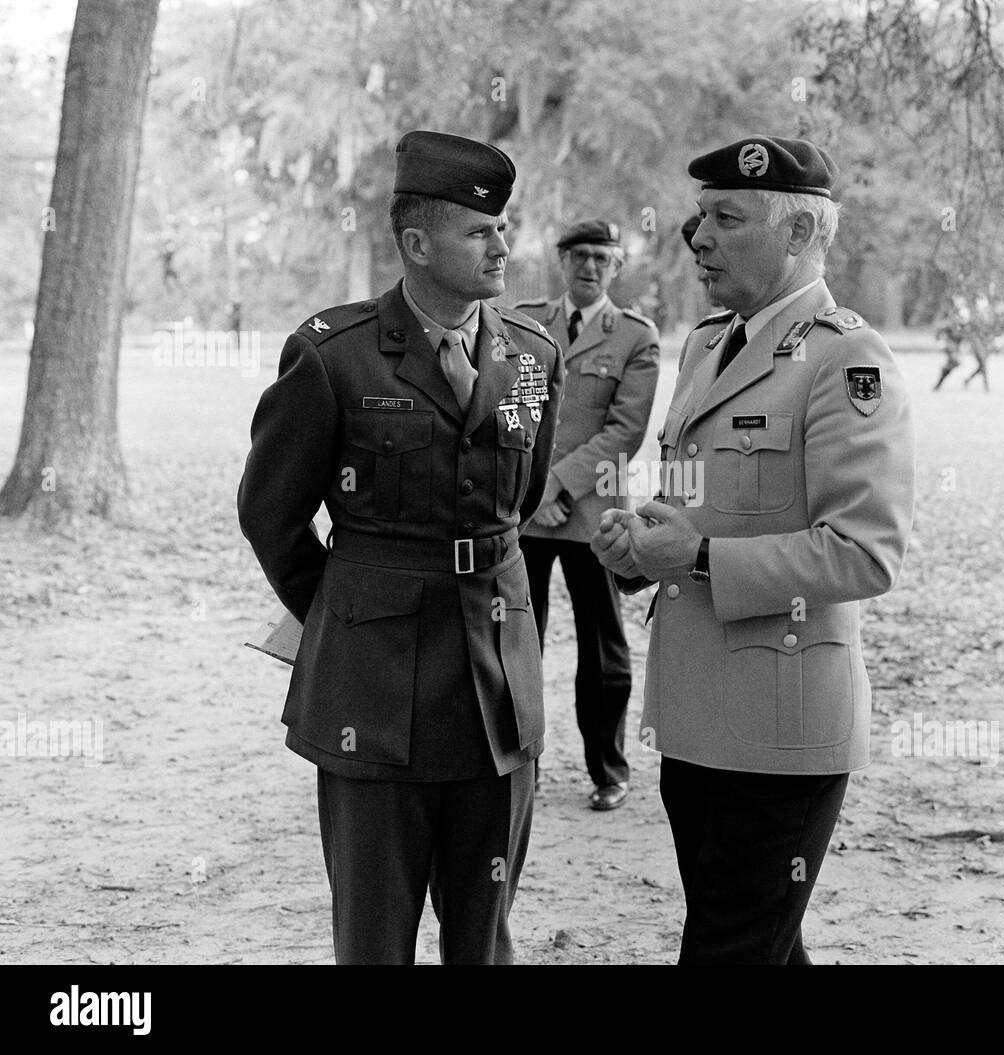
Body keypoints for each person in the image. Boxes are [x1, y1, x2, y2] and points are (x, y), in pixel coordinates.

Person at [237, 130, 563, 964]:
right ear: (417, 243)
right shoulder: (331, 356)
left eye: (503, 228)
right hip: (373, 699)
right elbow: (271, 514)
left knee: (483, 939)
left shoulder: (532, 354)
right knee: (376, 939)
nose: (502, 245)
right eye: (478, 231)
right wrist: (350, 610)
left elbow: (518, 504)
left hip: (496, 685)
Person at [591, 135, 916, 964]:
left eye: (725, 219)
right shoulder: (706, 344)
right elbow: (697, 507)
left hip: (782, 729)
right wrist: (639, 545)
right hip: (695, 716)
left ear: (801, 235)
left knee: (728, 950)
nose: (696, 239)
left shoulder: (847, 360)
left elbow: (864, 551)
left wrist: (696, 560)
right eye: (700, 218)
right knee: (763, 948)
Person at [512, 220, 660, 810]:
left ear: (617, 268)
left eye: (602, 258)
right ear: (562, 262)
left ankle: (609, 770)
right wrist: (533, 491)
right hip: (525, 513)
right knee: (517, 640)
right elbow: (509, 411)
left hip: (593, 512)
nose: (590, 267)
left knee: (603, 648)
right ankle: (520, 762)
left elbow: (626, 430)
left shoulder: (634, 337)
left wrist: (556, 485)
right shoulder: (524, 324)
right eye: (579, 256)